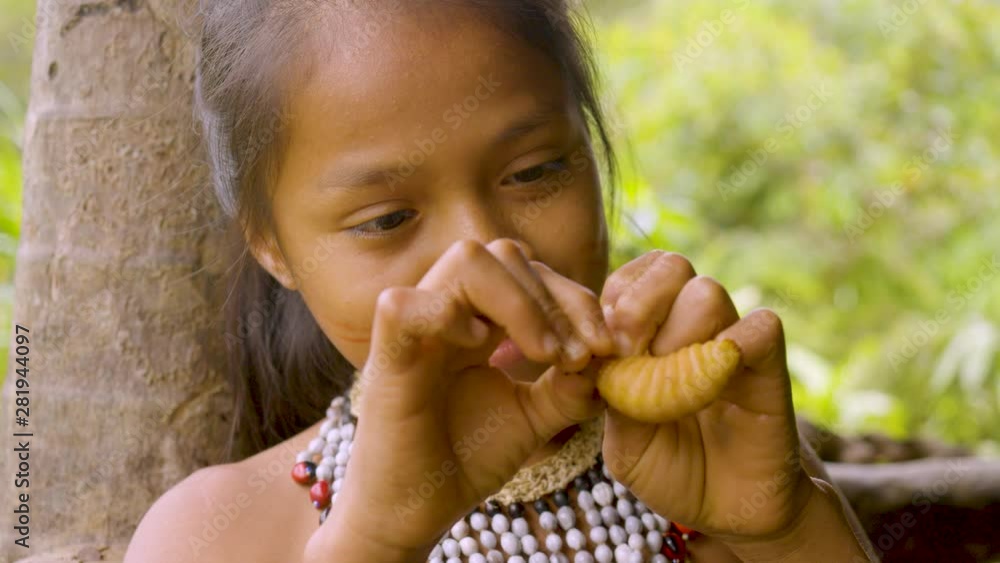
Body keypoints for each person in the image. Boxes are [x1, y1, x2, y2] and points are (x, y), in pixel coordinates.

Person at [125, 1, 880, 561]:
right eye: (386, 218)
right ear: (274, 249)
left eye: (535, 172)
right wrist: (373, 540)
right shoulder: (212, 533)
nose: (485, 255)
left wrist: (786, 532)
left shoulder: (720, 474)